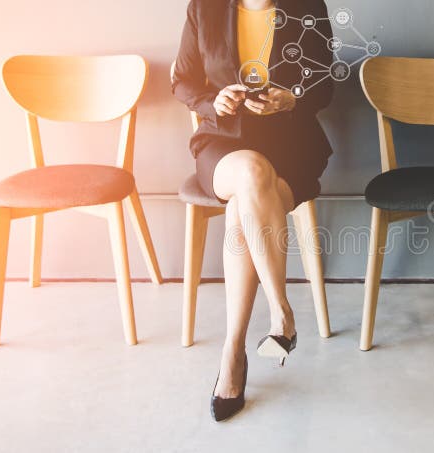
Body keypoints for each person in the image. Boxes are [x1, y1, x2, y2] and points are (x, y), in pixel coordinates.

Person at [172, 0, 334, 422]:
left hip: (292, 147)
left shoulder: (307, 5)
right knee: (249, 171)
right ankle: (281, 312)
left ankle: (233, 353)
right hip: (223, 144)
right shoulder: (203, 8)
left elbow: (325, 86)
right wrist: (214, 102)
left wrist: (291, 98)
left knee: (241, 210)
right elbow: (183, 82)